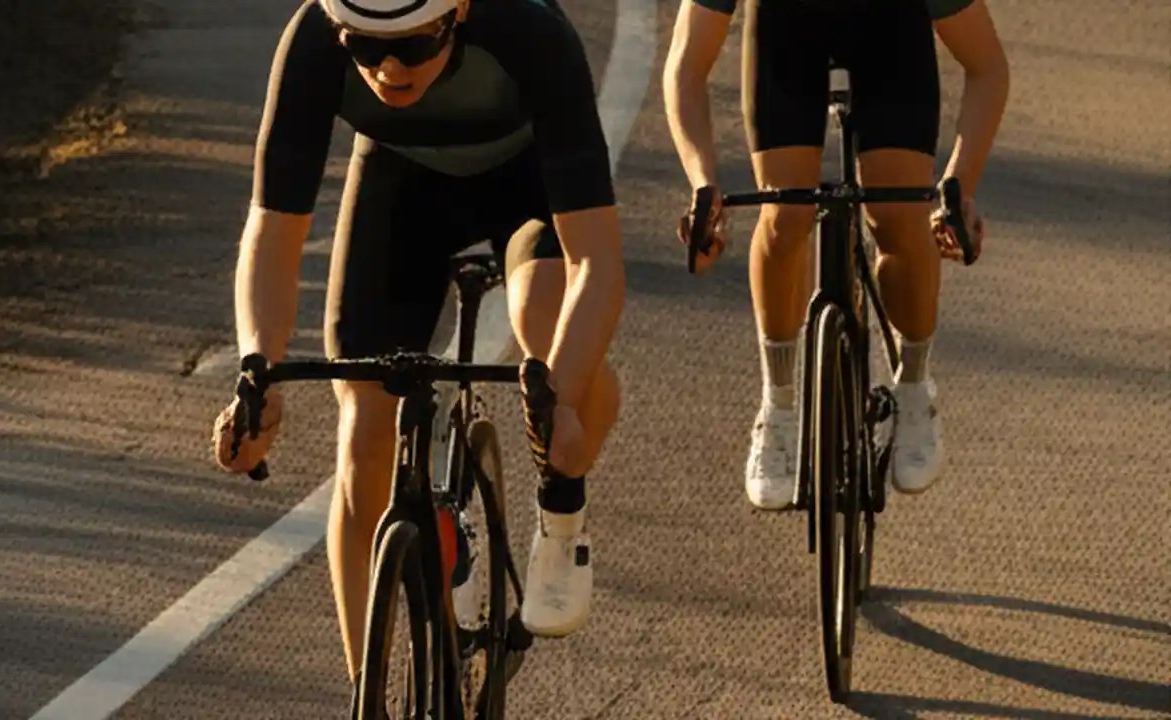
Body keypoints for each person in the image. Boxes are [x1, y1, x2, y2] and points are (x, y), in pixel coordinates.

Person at [209, 0, 625, 699]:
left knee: (546, 328)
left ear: (457, 13)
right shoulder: (312, 39)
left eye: (412, 45)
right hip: (401, 183)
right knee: (364, 433)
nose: (387, 68)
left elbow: (599, 267)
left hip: (530, 183)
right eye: (364, 46)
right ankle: (366, 691)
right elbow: (272, 233)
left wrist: (562, 403)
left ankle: (562, 511)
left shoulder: (529, 32)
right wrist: (258, 370)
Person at [663, 0, 1009, 509]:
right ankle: (778, 408)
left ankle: (914, 389)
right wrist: (703, 184)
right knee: (785, 215)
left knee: (897, 216)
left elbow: (987, 66)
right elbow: (686, 66)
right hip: (785, 37)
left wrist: (960, 185)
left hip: (888, 35)